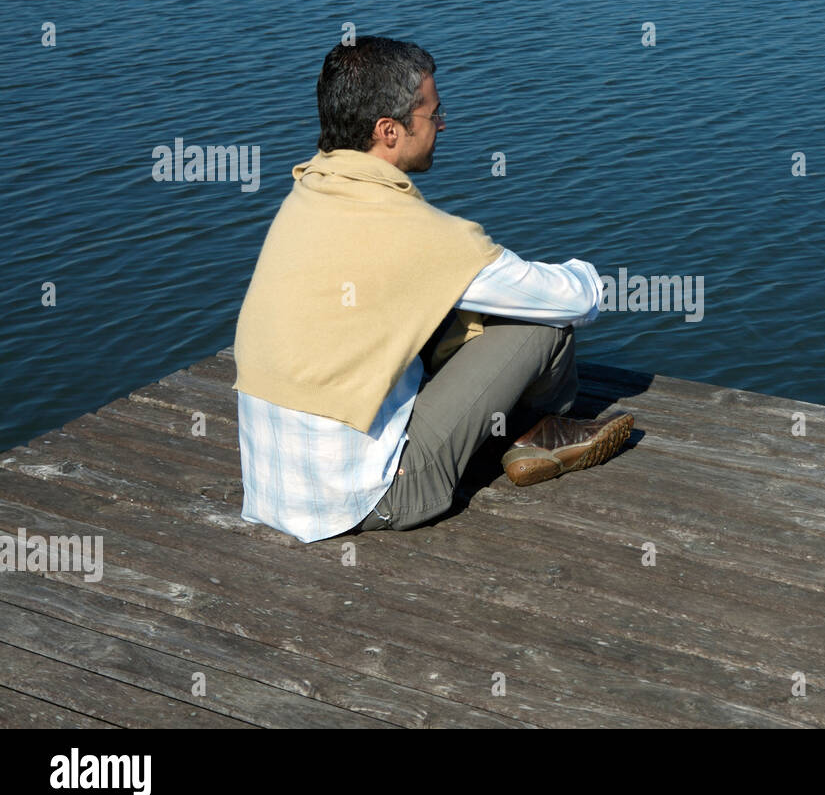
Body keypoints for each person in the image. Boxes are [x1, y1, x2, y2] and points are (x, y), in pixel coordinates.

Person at [230, 36, 632, 544]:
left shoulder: (308, 195)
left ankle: (515, 432)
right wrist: (590, 275)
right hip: (367, 499)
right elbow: (573, 301)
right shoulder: (415, 233)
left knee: (445, 315)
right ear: (389, 131)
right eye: (434, 115)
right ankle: (533, 432)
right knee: (541, 328)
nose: (443, 125)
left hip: (270, 489)